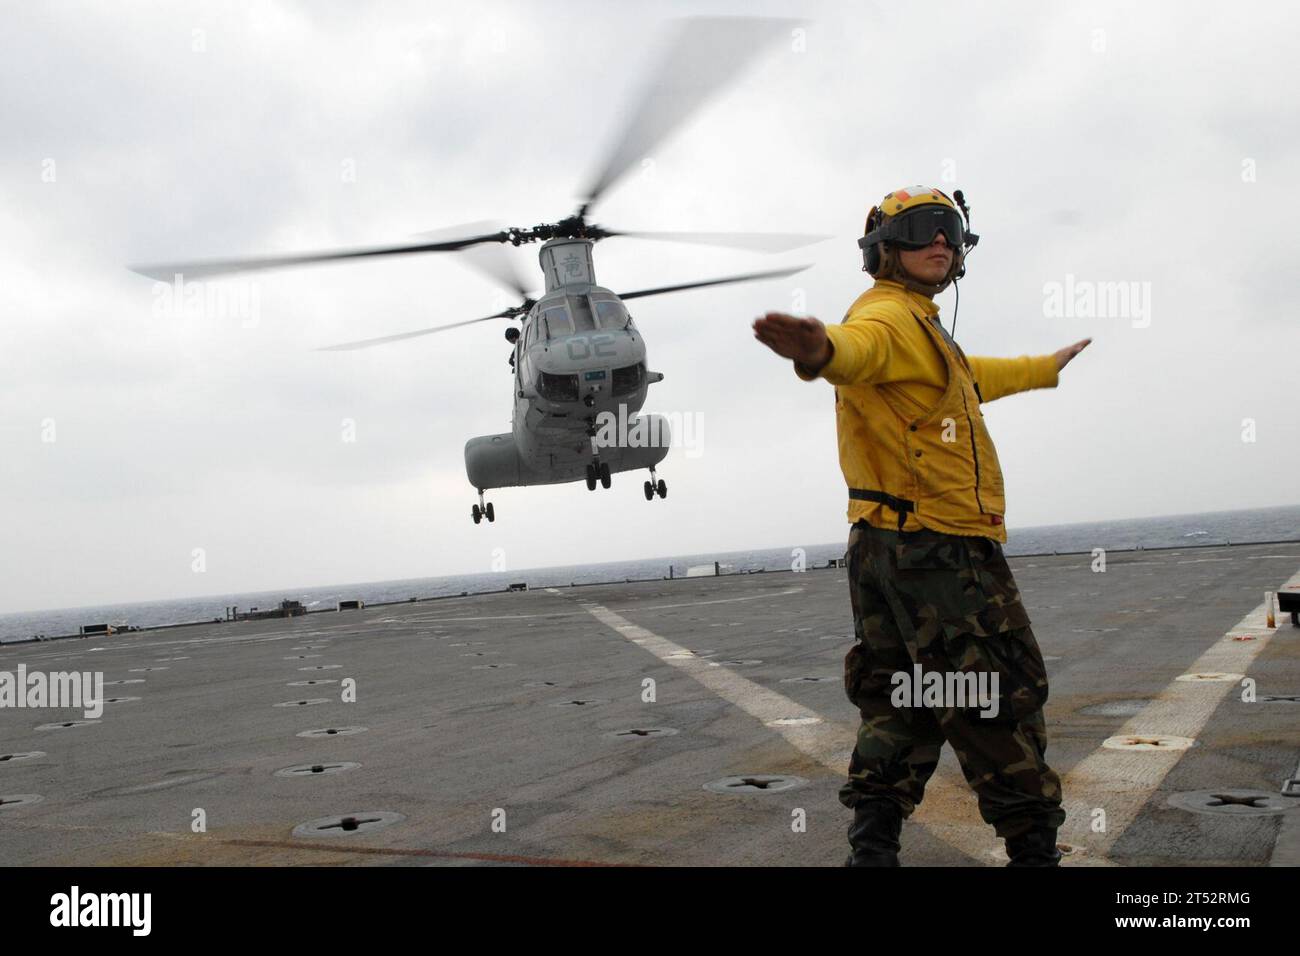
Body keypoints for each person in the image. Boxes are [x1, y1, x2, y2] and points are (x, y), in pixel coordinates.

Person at [752, 185, 1090, 867]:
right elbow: (858, 350)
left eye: (950, 229)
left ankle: (870, 853)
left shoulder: (923, 329)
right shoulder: (889, 318)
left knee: (902, 702)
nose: (940, 240)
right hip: (941, 551)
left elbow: (968, 378)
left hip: (884, 551)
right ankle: (1034, 855)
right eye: (921, 229)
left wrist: (1040, 368)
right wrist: (818, 352)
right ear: (884, 249)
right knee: (998, 696)